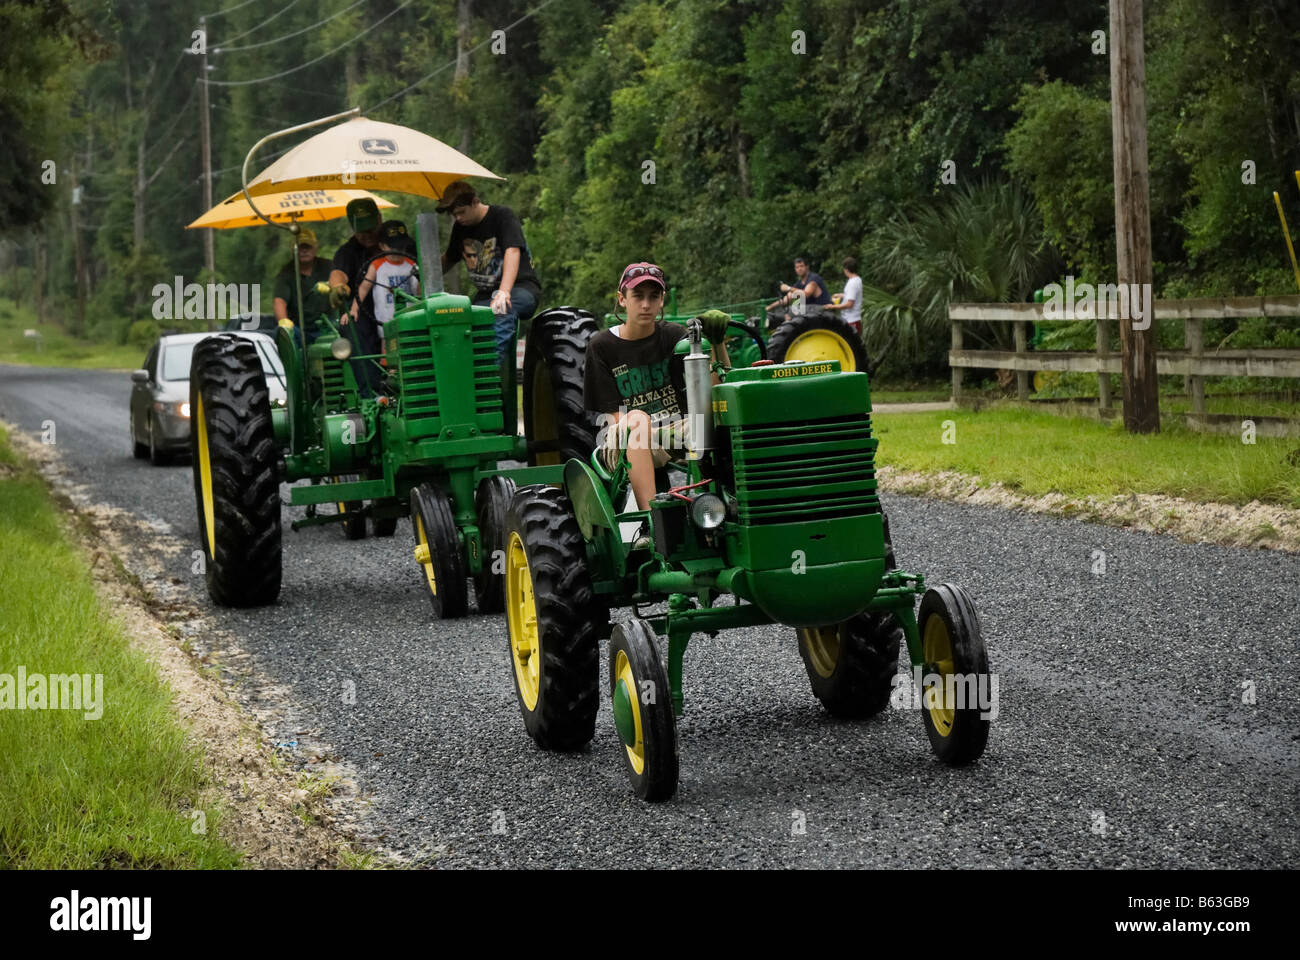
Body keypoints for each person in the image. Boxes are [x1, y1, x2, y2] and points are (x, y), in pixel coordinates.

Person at [584, 262, 731, 535]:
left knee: (717, 420)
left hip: (674, 430)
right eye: (638, 296)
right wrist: (650, 431)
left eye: (654, 296)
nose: (646, 304)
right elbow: (616, 418)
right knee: (638, 421)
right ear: (622, 299)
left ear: (662, 300)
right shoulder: (602, 346)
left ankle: (728, 512)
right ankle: (654, 525)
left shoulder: (674, 337)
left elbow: (713, 392)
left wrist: (717, 344)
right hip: (620, 437)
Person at [436, 180, 541, 367]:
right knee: (460, 320)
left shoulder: (502, 216)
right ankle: (459, 370)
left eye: (461, 212)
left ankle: (487, 373)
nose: (458, 218)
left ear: (475, 202)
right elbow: (449, 259)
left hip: (518, 289)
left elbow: (513, 250)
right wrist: (422, 273)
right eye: (454, 214)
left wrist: (504, 291)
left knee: (500, 310)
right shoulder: (461, 228)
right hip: (485, 297)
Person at [330, 197, 385, 394]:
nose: (367, 235)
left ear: (379, 219)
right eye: (361, 231)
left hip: (398, 308)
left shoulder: (395, 241)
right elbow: (338, 274)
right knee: (350, 325)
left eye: (370, 229)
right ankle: (372, 395)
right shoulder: (348, 252)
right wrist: (337, 287)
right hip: (363, 313)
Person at [353, 221, 420, 358]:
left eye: (401, 247)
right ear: (382, 246)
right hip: (386, 321)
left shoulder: (411, 264)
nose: (398, 251)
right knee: (390, 354)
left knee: (413, 350)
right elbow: (364, 287)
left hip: (411, 320)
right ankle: (390, 374)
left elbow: (419, 291)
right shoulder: (377, 265)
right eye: (393, 247)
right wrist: (354, 309)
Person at [272, 227, 333, 342]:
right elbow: (279, 301)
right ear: (293, 250)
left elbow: (341, 287)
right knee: (281, 333)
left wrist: (333, 287)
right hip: (300, 331)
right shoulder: (286, 273)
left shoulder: (329, 266)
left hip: (329, 327)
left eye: (308, 247)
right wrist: (284, 323)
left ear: (315, 248)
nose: (304, 251)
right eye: (300, 247)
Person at [765, 256, 831, 324]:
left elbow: (806, 294)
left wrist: (788, 288)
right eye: (797, 267)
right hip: (810, 309)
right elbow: (786, 299)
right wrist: (769, 307)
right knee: (783, 311)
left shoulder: (813, 279)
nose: (799, 269)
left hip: (822, 308)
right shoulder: (798, 284)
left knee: (792, 311)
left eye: (801, 266)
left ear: (807, 267)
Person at [823, 256, 863, 334]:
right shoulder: (857, 279)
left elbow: (849, 304)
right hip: (852, 320)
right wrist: (840, 295)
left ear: (846, 269)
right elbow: (852, 295)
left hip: (851, 321)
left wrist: (833, 306)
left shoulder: (852, 283)